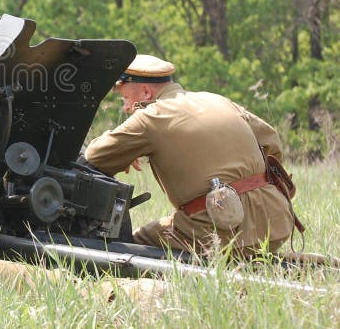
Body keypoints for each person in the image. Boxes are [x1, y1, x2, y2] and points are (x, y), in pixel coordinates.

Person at [84, 54, 295, 255]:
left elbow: (94, 155)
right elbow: (271, 142)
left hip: (220, 230)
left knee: (131, 246)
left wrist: (127, 152)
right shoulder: (218, 100)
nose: (126, 107)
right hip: (277, 223)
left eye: (125, 98)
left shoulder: (152, 117)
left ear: (146, 93)